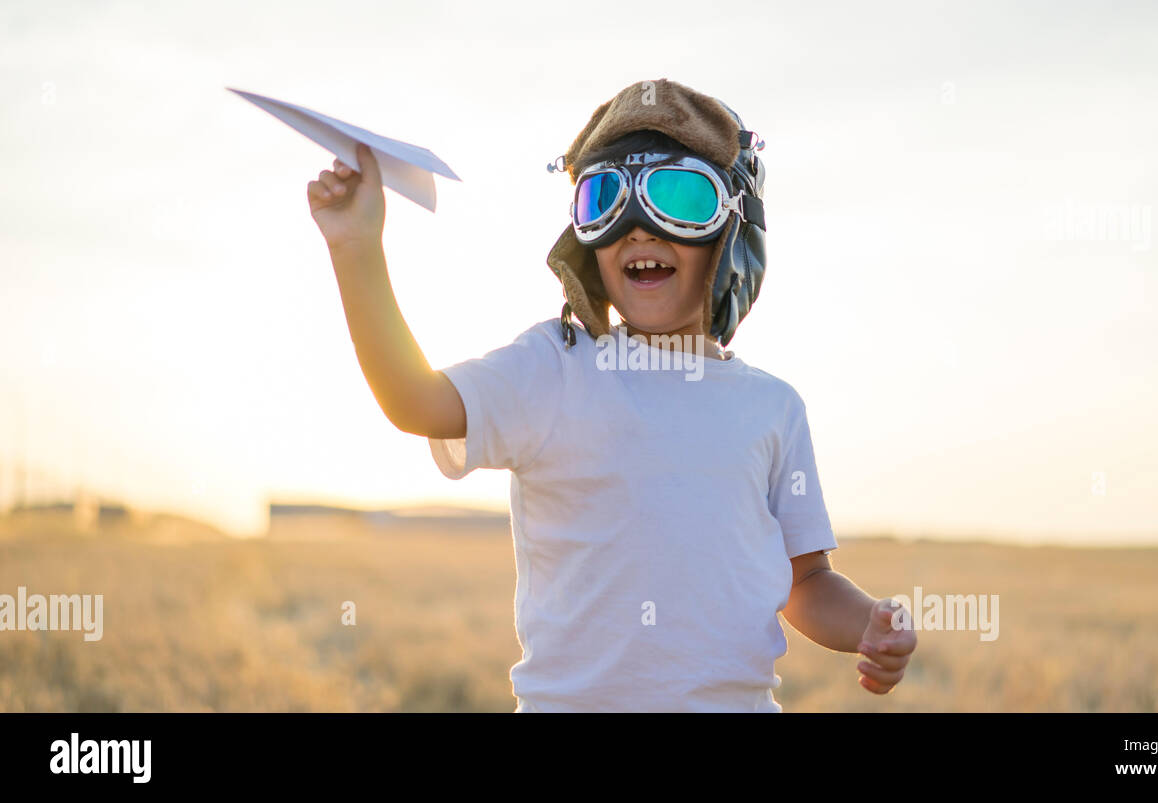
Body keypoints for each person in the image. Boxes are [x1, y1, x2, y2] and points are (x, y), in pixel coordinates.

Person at [306, 78, 916, 712]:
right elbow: (414, 401)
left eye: (678, 195)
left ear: (733, 231)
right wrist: (356, 250)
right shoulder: (554, 367)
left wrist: (867, 623)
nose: (637, 230)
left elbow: (806, 583)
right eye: (604, 199)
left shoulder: (774, 408)